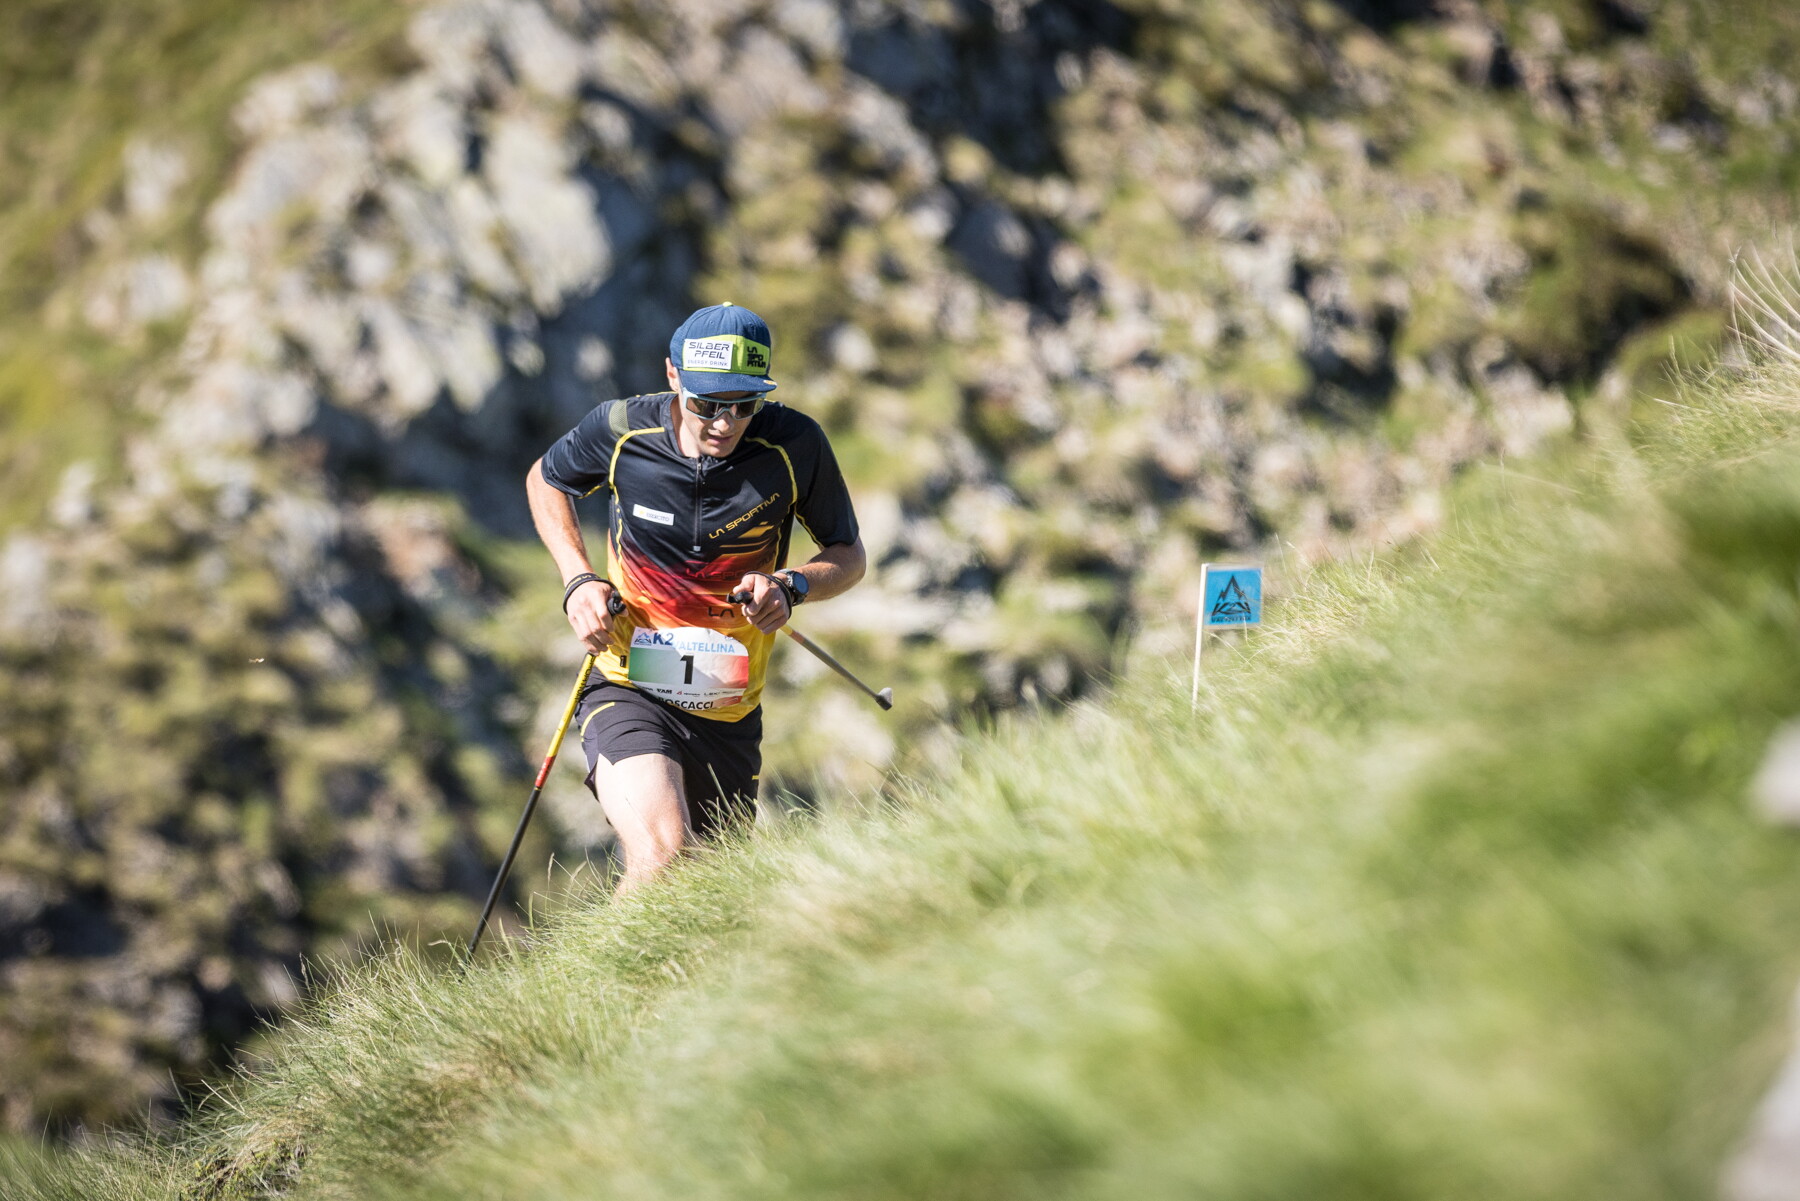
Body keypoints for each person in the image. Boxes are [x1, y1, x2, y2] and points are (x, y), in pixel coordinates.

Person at [525, 303, 865, 890]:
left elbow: (849, 555)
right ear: (672, 375)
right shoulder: (622, 429)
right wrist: (578, 579)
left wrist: (792, 585)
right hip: (628, 682)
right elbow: (546, 479)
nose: (724, 423)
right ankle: (609, 960)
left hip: (728, 705)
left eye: (744, 405)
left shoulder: (793, 445)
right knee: (661, 854)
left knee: (705, 897)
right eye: (706, 404)